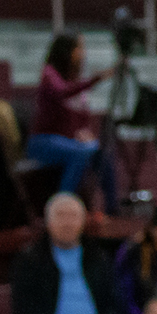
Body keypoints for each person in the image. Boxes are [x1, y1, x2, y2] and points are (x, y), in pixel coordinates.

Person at [10, 192, 117, 314]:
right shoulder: (30, 259)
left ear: (83, 222)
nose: (67, 222)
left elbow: (114, 301)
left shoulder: (98, 257)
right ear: (48, 222)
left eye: (73, 216)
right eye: (61, 216)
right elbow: (25, 309)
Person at [30, 33, 116, 206]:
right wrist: (94, 80)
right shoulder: (49, 74)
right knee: (80, 153)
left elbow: (81, 119)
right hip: (43, 142)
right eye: (79, 48)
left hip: (68, 142)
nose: (83, 53)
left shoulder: (74, 81)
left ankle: (112, 208)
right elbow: (62, 92)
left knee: (101, 152)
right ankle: (63, 205)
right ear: (67, 50)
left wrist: (85, 134)